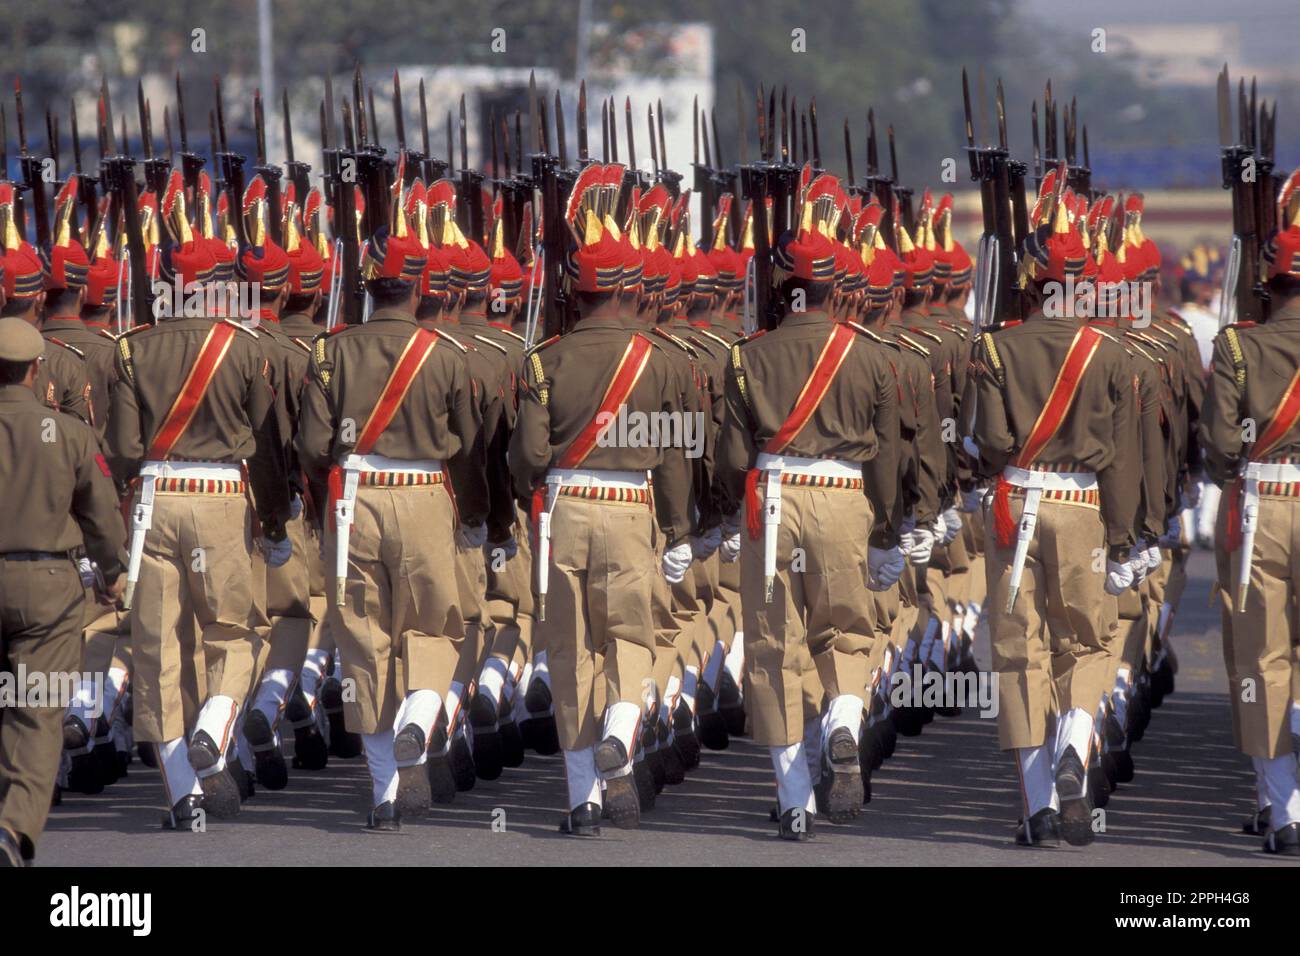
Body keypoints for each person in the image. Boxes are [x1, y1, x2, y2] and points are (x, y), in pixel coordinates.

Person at [509, 163, 692, 835]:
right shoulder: (665, 359)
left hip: (563, 510)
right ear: (628, 287)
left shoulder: (543, 359)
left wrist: (535, 482)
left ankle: (582, 797)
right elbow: (674, 457)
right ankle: (621, 727)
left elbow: (528, 456)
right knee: (630, 638)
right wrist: (676, 529)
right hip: (631, 509)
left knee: (571, 652)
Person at [716, 183, 902, 839]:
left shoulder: (748, 355)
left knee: (775, 647)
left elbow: (732, 452)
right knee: (847, 631)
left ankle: (796, 801)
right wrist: (887, 530)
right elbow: (886, 457)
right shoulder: (873, 356)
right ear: (835, 287)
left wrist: (726, 519)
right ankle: (846, 724)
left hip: (773, 502)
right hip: (845, 498)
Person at [297, 210, 487, 832]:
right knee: (436, 626)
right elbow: (466, 444)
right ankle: (418, 721)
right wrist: (475, 515)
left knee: (362, 640)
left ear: (368, 284)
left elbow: (312, 442)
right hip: (424, 493)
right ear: (419, 285)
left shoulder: (329, 351)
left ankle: (384, 794)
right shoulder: (446, 354)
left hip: (353, 496)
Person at [106, 213, 292, 827]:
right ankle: (215, 725)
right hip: (220, 499)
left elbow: (127, 450)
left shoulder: (131, 347)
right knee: (233, 631)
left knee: (157, 649)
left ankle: (184, 794)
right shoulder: (245, 345)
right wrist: (273, 518)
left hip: (156, 501)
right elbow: (265, 442)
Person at [969, 175, 1137, 847]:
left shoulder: (997, 346)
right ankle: (1075, 742)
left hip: (1016, 502)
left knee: (1020, 652)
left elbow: (992, 442)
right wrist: (1123, 540)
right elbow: (1121, 459)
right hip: (1084, 506)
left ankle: (1038, 807)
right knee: (1088, 643)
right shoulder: (1111, 352)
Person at [0, 316, 126, 866]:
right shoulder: (69, 433)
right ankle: (12, 829)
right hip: (48, 586)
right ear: (35, 371)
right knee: (37, 709)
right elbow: (100, 514)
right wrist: (114, 572)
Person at [1200, 178, 1300, 856]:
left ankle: (1285, 809)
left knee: (1263, 657)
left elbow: (1219, 447)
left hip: (1264, 503)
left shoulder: (1238, 348)